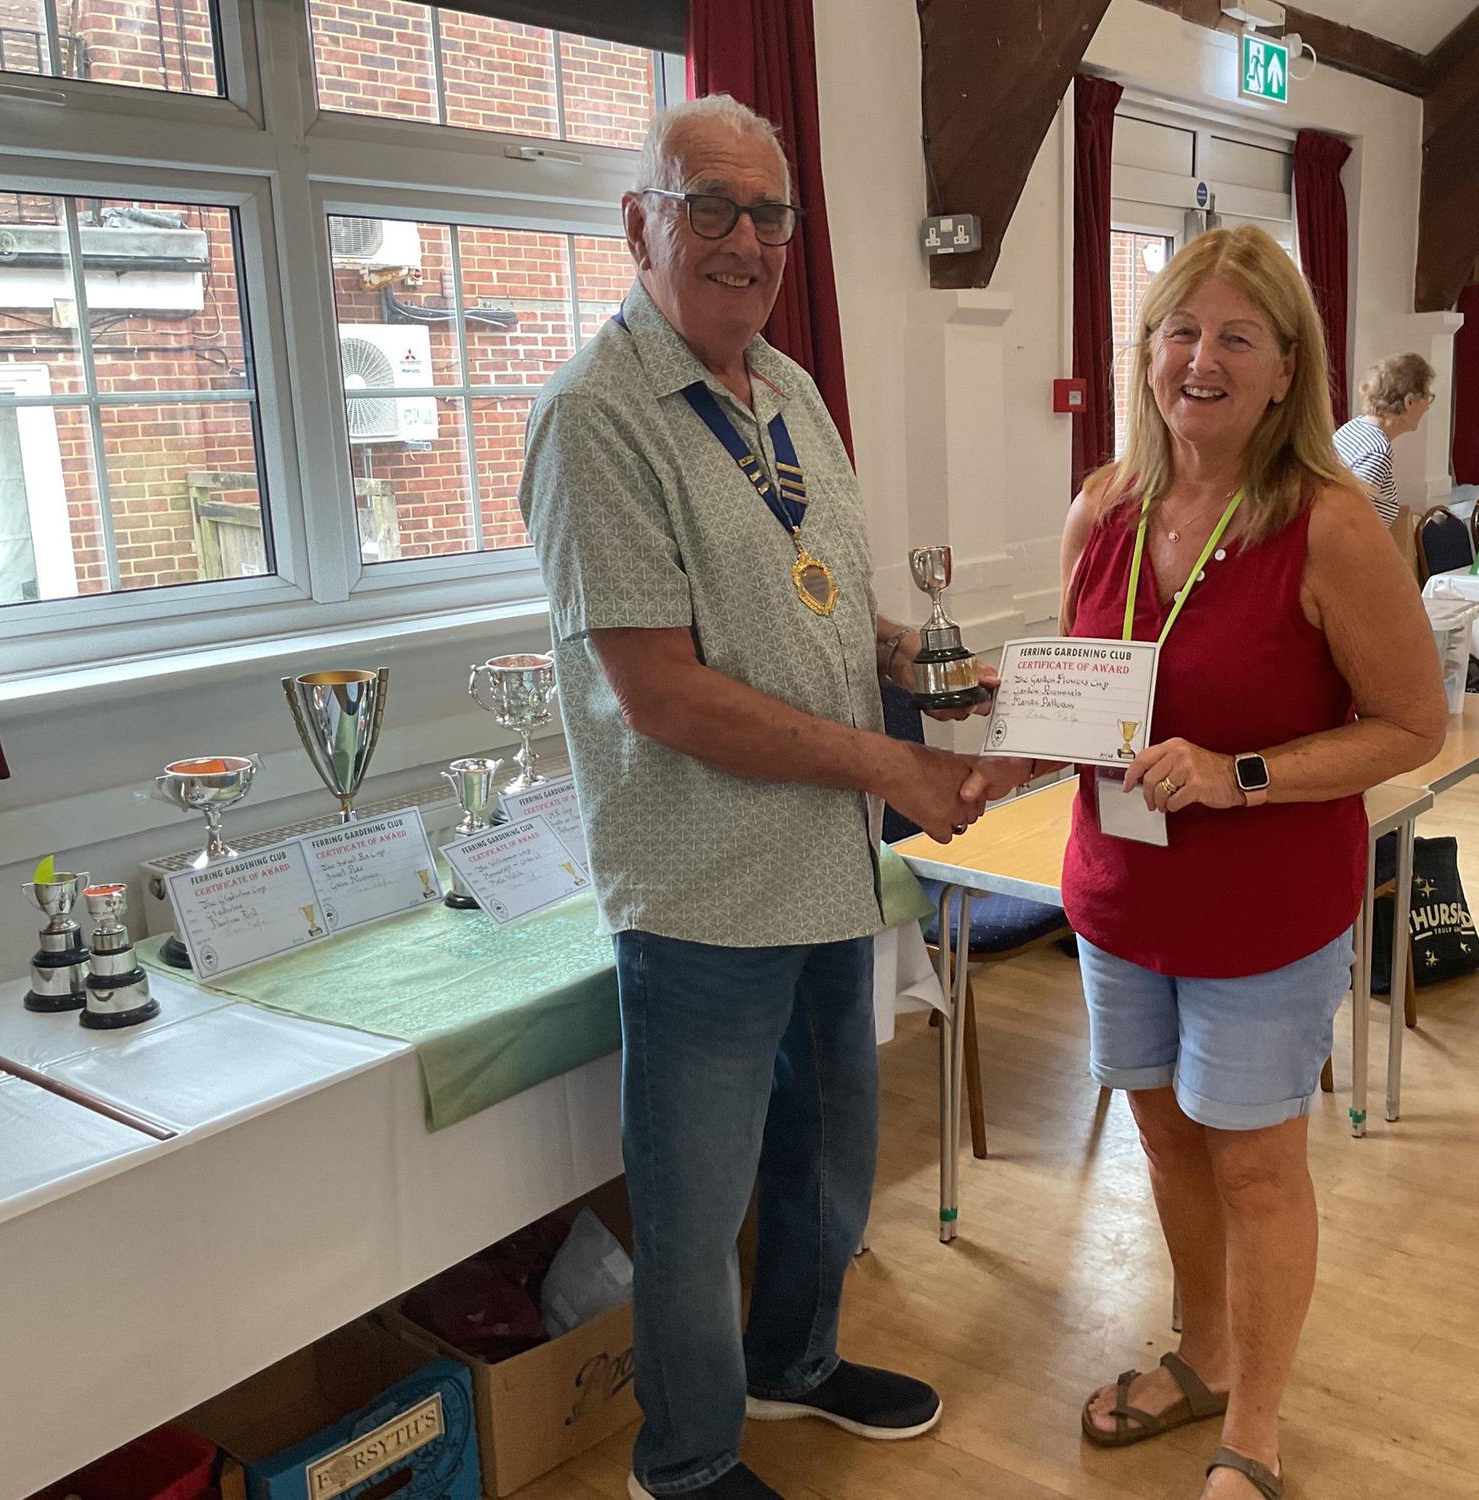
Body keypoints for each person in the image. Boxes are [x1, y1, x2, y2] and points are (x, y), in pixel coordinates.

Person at [519, 95, 993, 1500]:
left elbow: (831, 611)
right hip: (702, 887)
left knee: (828, 1150)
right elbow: (664, 693)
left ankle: (796, 1367)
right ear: (640, 225)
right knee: (692, 1200)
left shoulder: (786, 390)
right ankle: (683, 1459)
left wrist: (931, 663)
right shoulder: (596, 417)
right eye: (706, 205)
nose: (744, 239)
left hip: (823, 869)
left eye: (768, 212)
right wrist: (896, 766)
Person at [972, 226, 1446, 1499]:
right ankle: (1203, 1356)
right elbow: (1089, 694)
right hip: (1120, 895)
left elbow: (1412, 725)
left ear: (1288, 369)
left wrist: (1240, 775)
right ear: (1145, 353)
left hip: (1263, 909)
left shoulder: (1331, 527)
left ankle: (1260, 1430)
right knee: (1168, 1144)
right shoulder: (1101, 507)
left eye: (1237, 335)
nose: (1200, 358)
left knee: (1252, 1160)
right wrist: (1005, 737)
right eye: (1179, 330)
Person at [1333, 354, 1435, 568]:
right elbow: (1350, 516)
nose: (1427, 406)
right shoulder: (1377, 450)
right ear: (1409, 401)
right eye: (1428, 397)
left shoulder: (1354, 427)